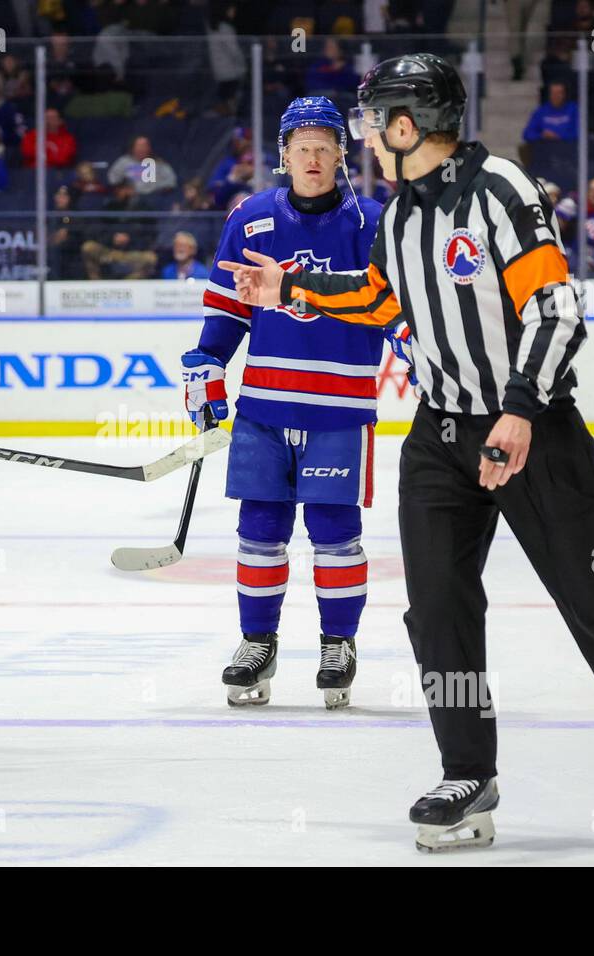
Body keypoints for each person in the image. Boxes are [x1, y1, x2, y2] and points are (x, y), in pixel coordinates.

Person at [220, 54, 594, 851]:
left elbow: (557, 312)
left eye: (370, 123)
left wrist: (520, 412)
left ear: (404, 125)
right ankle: (468, 771)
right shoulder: (395, 218)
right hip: (441, 438)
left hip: (534, 433)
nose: (360, 141)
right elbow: (379, 298)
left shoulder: (501, 192)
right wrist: (292, 292)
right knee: (440, 611)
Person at [182, 96, 385, 710]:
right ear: (284, 155)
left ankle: (337, 645)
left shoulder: (371, 223)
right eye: (304, 148)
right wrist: (206, 363)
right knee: (260, 529)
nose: (314, 158)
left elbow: (394, 309)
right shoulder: (250, 218)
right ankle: (257, 642)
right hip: (265, 408)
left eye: (325, 146)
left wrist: (421, 357)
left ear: (342, 154)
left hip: (340, 411)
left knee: (333, 530)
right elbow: (226, 309)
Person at [108, 135, 178, 196]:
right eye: (139, 146)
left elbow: (171, 182)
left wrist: (158, 190)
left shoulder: (159, 164)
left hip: (153, 198)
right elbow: (113, 179)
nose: (142, 149)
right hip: (129, 198)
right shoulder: (123, 162)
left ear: (149, 148)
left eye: (144, 146)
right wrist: (123, 189)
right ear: (133, 148)